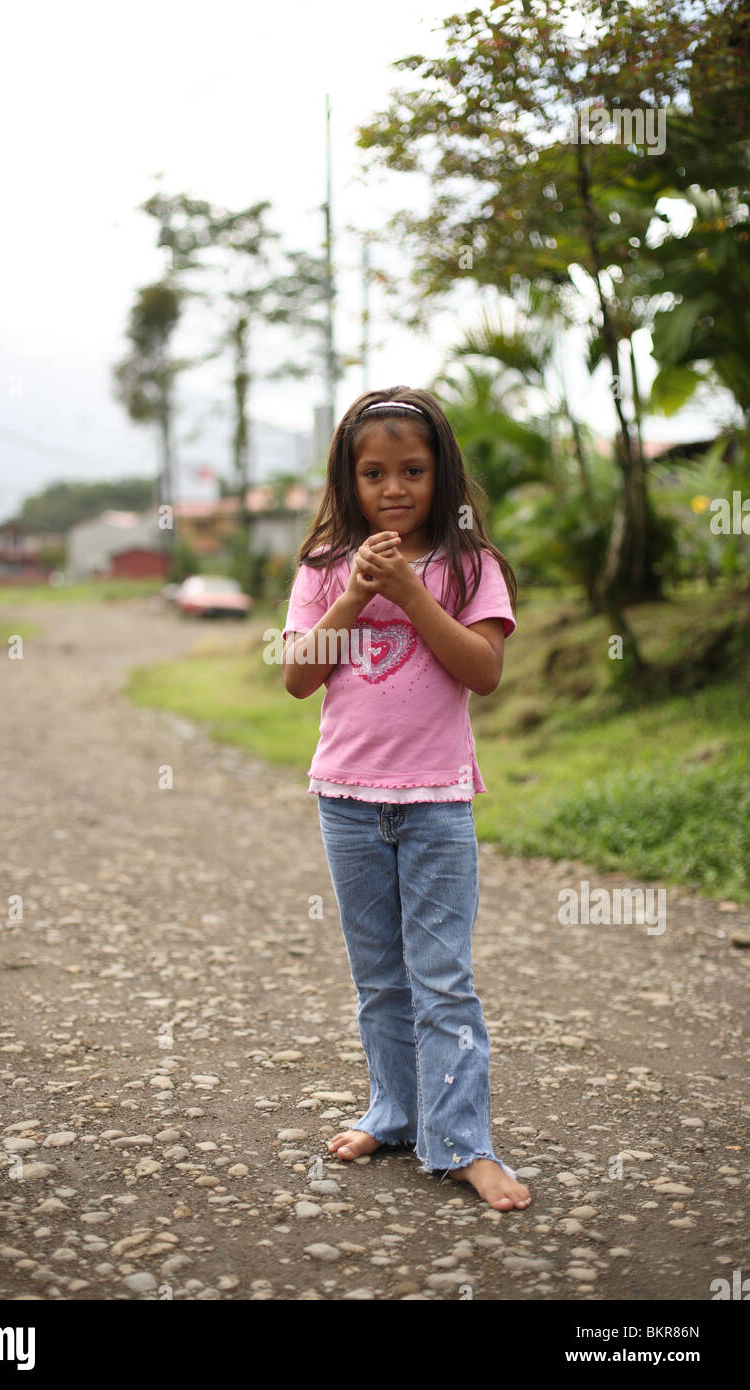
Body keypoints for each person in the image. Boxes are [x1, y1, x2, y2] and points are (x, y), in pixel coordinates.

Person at [281, 387, 531, 1212]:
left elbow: (483, 672)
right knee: (381, 979)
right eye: (374, 472)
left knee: (443, 980)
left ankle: (462, 1143)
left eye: (413, 470)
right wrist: (356, 591)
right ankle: (395, 1113)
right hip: (347, 801)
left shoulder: (470, 567)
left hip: (436, 804)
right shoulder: (323, 569)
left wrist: (413, 594)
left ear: (442, 474)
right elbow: (297, 677)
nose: (394, 488)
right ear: (347, 480)